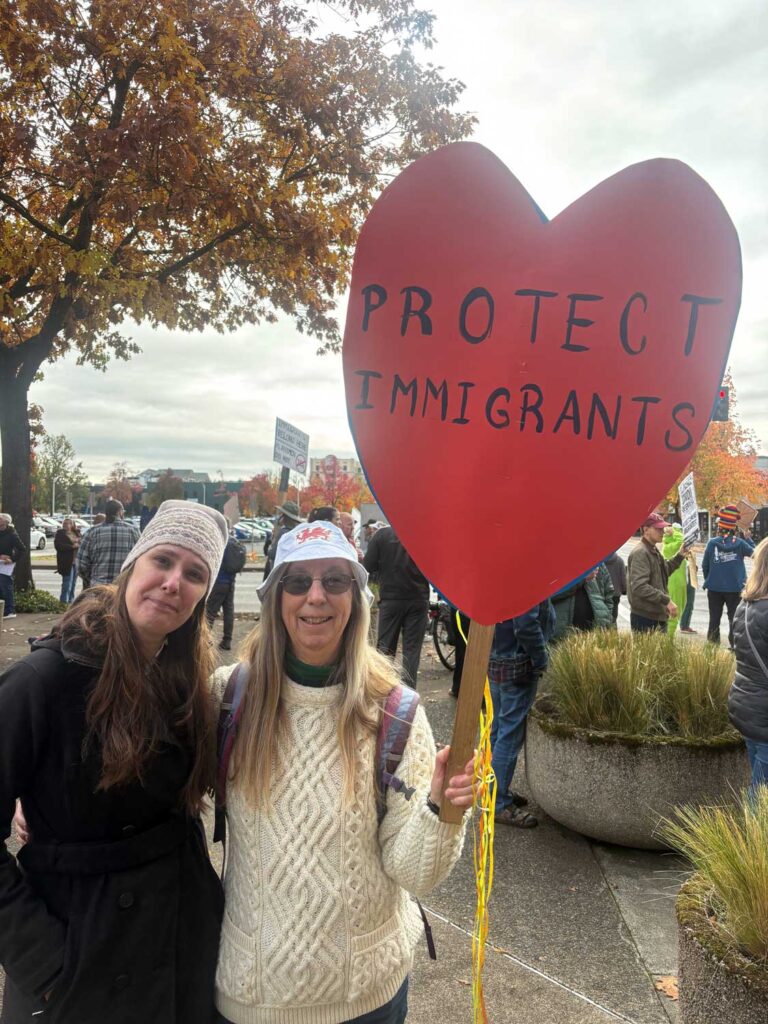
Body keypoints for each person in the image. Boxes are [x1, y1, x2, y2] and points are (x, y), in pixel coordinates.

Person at [211, 521, 472, 1024]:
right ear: (274, 597)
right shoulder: (228, 698)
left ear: (356, 598)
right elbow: (159, 790)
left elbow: (413, 871)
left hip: (366, 997)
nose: (316, 597)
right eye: (297, 581)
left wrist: (442, 810)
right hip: (250, 990)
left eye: (335, 580)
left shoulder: (395, 712)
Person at [0, 500, 228, 1023]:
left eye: (195, 574)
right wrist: (46, 964)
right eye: (163, 561)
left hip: (181, 941)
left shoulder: (189, 683)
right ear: (133, 565)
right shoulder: (43, 681)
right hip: (79, 952)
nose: (174, 582)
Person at [489, 599, 555, 828]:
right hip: (518, 663)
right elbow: (525, 625)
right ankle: (498, 803)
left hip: (497, 657)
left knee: (498, 731)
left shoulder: (497, 571)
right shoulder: (526, 574)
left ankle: (494, 790)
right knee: (508, 735)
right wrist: (541, 658)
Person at [363, 525, 430, 688]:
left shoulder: (382, 535)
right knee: (412, 650)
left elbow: (368, 566)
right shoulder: (425, 535)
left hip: (391, 599)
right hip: (419, 597)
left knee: (385, 648)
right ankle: (409, 692)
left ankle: (382, 689)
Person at [728, 537, 768, 793]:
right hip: (764, 714)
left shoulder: (745, 604)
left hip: (745, 706)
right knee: (761, 790)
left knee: (758, 780)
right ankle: (752, 833)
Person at [702, 505, 755, 648]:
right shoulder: (740, 544)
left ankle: (712, 647)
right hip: (735, 588)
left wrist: (710, 579)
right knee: (734, 619)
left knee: (714, 619)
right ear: (734, 528)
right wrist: (749, 539)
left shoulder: (712, 543)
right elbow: (757, 555)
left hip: (714, 589)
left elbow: (705, 566)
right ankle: (734, 646)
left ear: (719, 527)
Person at [627, 512, 686, 633]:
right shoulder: (641, 552)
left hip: (655, 614)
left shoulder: (652, 549)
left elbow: (664, 571)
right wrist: (666, 600)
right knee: (648, 652)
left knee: (659, 652)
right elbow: (639, 587)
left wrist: (680, 556)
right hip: (646, 617)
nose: (662, 531)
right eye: (658, 528)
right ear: (646, 529)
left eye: (662, 528)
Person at [75, 499, 140, 587]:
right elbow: (140, 559)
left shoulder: (92, 532)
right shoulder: (134, 531)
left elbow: (81, 564)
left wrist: (90, 579)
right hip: (124, 587)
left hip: (99, 587)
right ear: (120, 512)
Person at [206, 526, 247, 651]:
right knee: (228, 611)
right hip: (230, 583)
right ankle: (227, 640)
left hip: (219, 582)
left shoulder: (221, 542)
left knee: (210, 611)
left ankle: (205, 640)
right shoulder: (234, 542)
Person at [550, 564, 614, 642]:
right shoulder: (556, 563)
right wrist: (581, 578)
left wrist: (607, 621)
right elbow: (548, 596)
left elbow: (608, 596)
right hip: (562, 636)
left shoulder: (598, 563)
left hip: (595, 634)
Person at [263, 500, 303, 578]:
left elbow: (272, 554)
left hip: (280, 574)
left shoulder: (283, 532)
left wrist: (269, 546)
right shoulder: (298, 531)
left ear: (284, 516)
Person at [662, 524, 687, 635]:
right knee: (673, 615)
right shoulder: (671, 547)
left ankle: (668, 639)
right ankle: (669, 641)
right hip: (675, 584)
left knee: (678, 611)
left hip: (678, 583)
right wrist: (675, 532)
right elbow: (682, 541)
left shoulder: (670, 545)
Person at [0, 513, 25, 620]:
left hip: (5, 565)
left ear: (5, 522)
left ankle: (9, 610)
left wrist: (12, 559)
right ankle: (2, 610)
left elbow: (22, 549)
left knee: (6, 586)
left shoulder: (11, 533)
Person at [54, 518, 81, 605]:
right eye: (65, 524)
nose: (67, 525)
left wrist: (79, 545)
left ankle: (71, 601)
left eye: (69, 523)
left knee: (73, 583)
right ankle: (63, 602)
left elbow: (82, 542)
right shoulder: (60, 534)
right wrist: (72, 547)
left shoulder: (77, 533)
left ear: (73, 524)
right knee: (67, 582)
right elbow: (59, 546)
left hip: (76, 561)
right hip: (66, 561)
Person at [603, 551, 627, 626]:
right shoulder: (619, 560)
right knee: (613, 616)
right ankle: (613, 632)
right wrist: (624, 590)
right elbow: (623, 577)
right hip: (615, 593)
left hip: (603, 593)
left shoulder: (600, 561)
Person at [679, 548, 699, 634]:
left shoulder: (690, 551)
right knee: (689, 603)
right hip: (687, 578)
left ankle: (684, 624)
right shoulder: (684, 550)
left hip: (687, 577)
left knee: (687, 603)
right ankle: (684, 625)